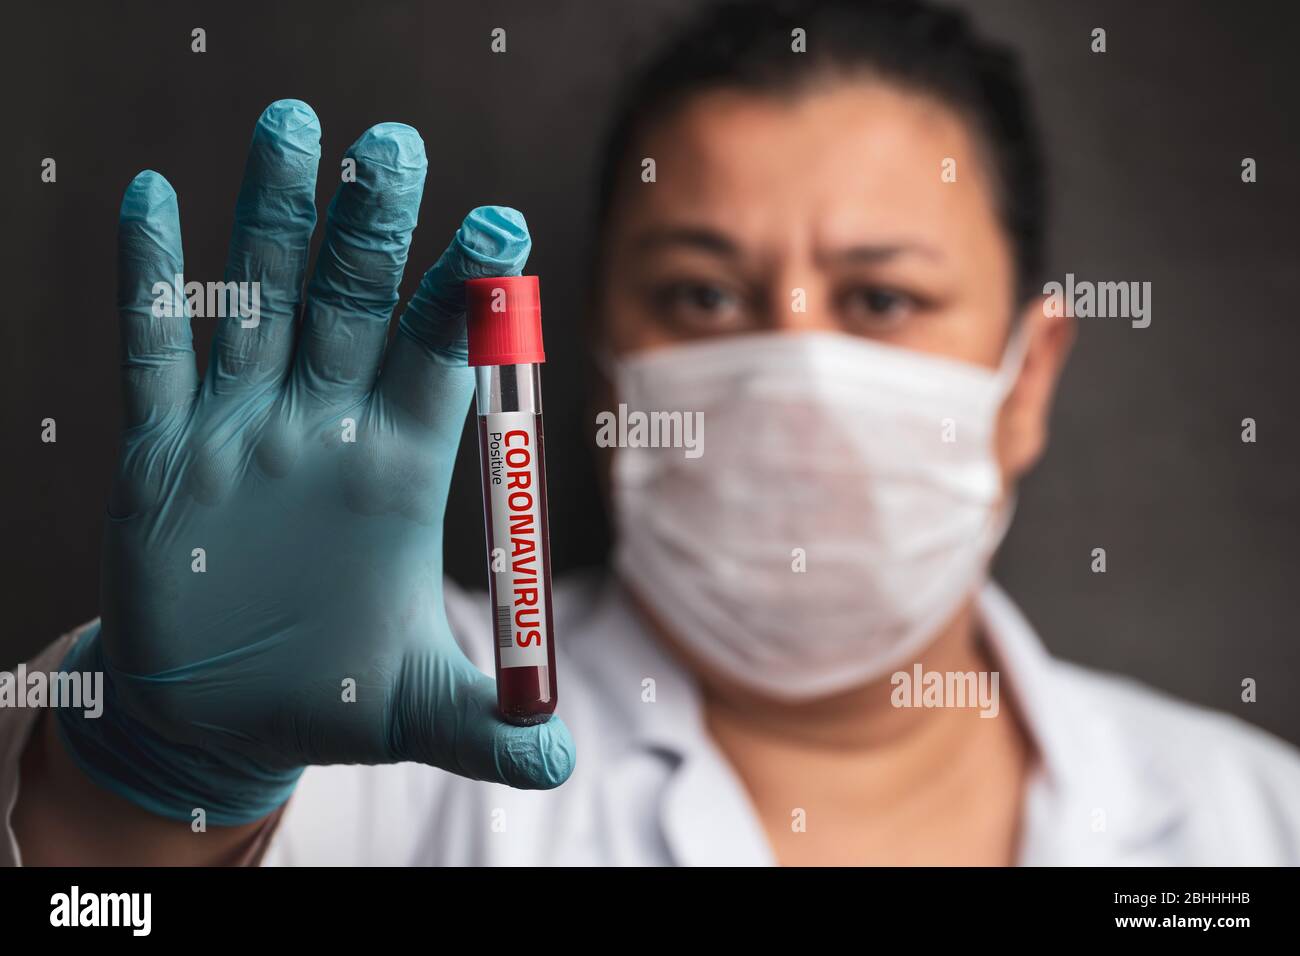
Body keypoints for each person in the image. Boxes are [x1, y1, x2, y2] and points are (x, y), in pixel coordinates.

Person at [5, 0, 1298, 866]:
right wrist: (156, 770)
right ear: (605, 371)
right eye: (703, 296)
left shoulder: (1250, 821)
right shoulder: (386, 731)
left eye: (881, 299)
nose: (796, 360)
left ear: (1029, 381)